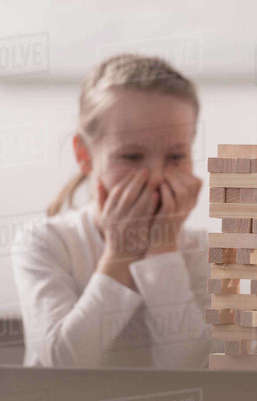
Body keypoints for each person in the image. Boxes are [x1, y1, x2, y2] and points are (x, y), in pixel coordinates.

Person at [11, 54, 211, 369]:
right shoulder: (45, 243)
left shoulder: (200, 251)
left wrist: (163, 251)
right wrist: (120, 256)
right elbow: (59, 370)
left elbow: (191, 369)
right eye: (131, 156)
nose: (157, 176)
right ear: (85, 156)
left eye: (175, 156)